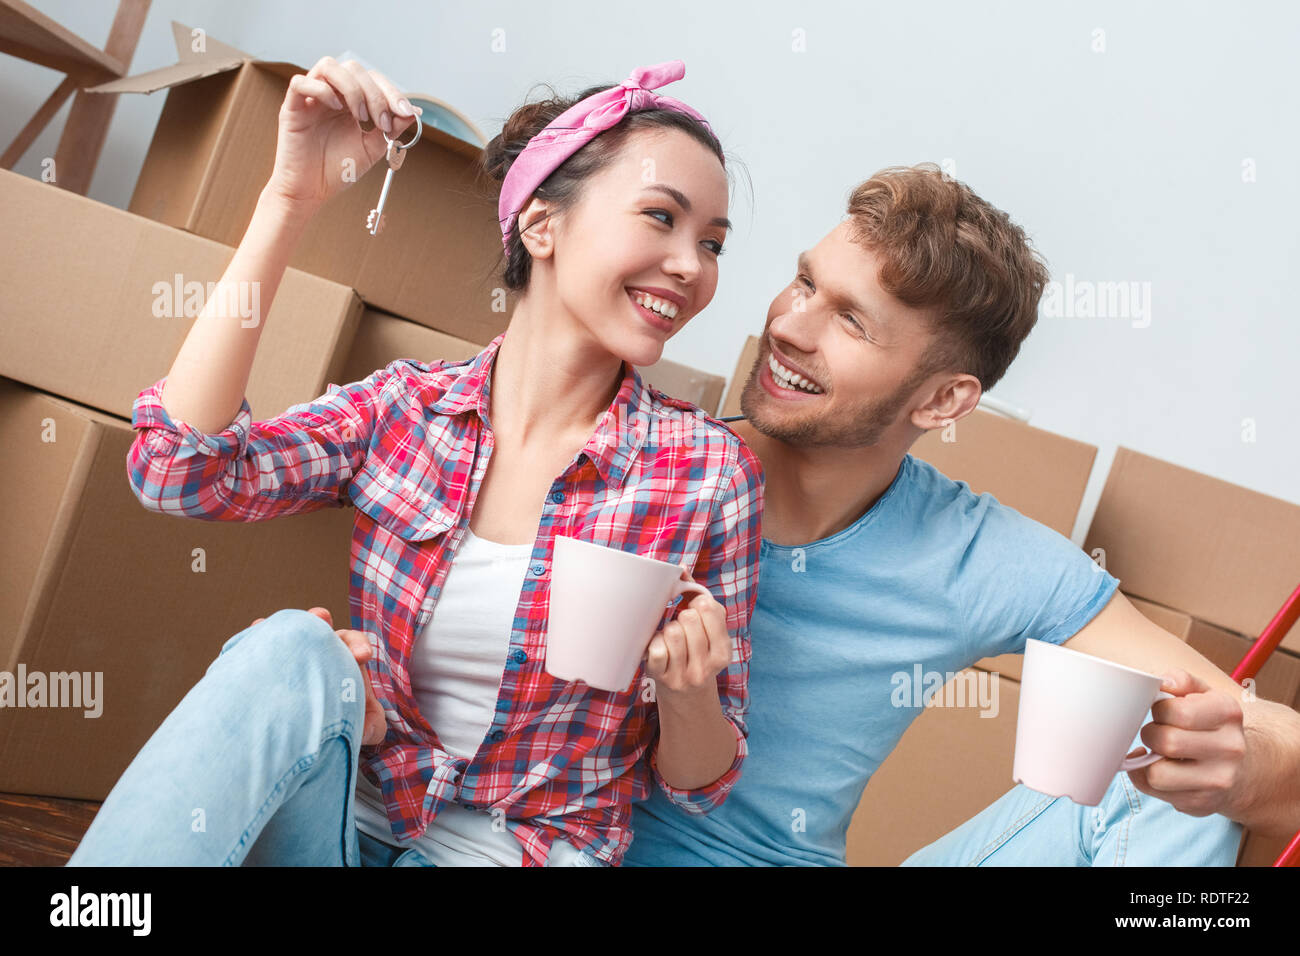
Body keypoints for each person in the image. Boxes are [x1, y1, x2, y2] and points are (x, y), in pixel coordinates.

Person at [67, 57, 762, 868]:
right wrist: (288, 200)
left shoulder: (707, 474)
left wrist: (688, 691)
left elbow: (700, 784)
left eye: (711, 243)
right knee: (290, 648)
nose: (691, 265)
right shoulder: (404, 411)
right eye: (660, 217)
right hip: (345, 820)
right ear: (541, 226)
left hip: (519, 852)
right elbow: (178, 474)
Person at [624, 163, 1300, 866]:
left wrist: (1239, 764)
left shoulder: (970, 554)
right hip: (573, 844)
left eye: (851, 320)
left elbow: (1264, 734)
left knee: (1175, 777)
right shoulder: (644, 469)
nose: (789, 326)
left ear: (942, 401)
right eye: (805, 282)